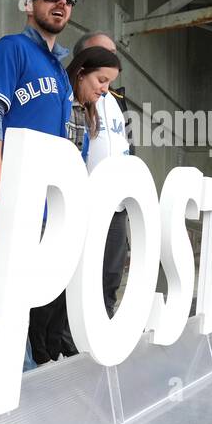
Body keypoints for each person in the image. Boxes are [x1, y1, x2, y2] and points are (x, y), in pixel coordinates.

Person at [0, 0, 82, 369]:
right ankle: (8, 380)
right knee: (6, 295)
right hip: (11, 192)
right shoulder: (12, 49)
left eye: (69, 0)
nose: (61, 4)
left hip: (44, 200)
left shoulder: (58, 69)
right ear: (30, 4)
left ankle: (22, 375)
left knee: (26, 297)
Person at [70, 32, 132, 317]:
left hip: (116, 205)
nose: (112, 57)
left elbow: (127, 144)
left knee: (111, 273)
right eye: (104, 52)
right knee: (81, 272)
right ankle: (71, 339)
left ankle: (105, 324)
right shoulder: (73, 93)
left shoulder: (118, 99)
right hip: (84, 202)